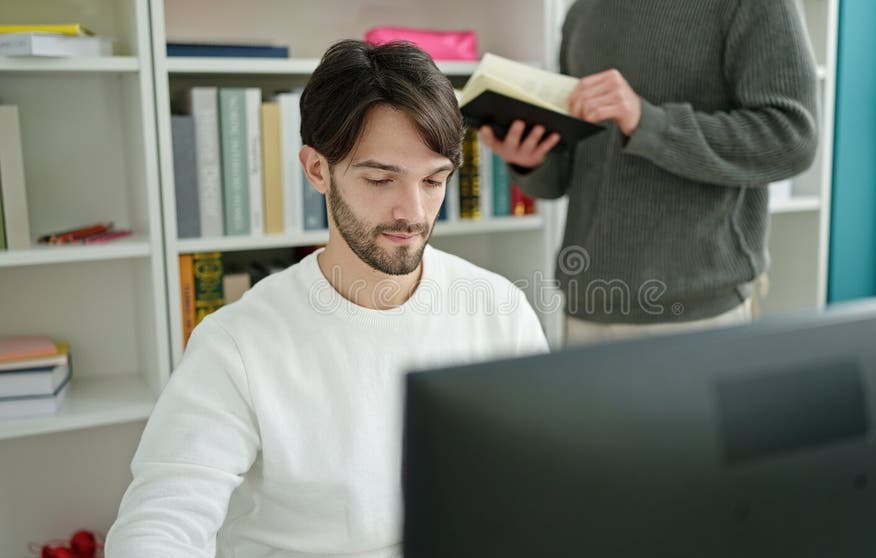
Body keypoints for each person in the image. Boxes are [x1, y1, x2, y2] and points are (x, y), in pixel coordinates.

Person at [105, 40, 547, 557]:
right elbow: (158, 526)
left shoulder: (499, 311)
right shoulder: (237, 344)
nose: (414, 211)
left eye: (433, 180)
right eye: (381, 179)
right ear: (317, 170)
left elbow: (544, 484)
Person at [481, 0, 819, 346]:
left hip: (696, 312)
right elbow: (568, 174)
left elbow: (793, 137)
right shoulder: (583, 10)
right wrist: (530, 161)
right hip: (586, 306)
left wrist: (648, 122)